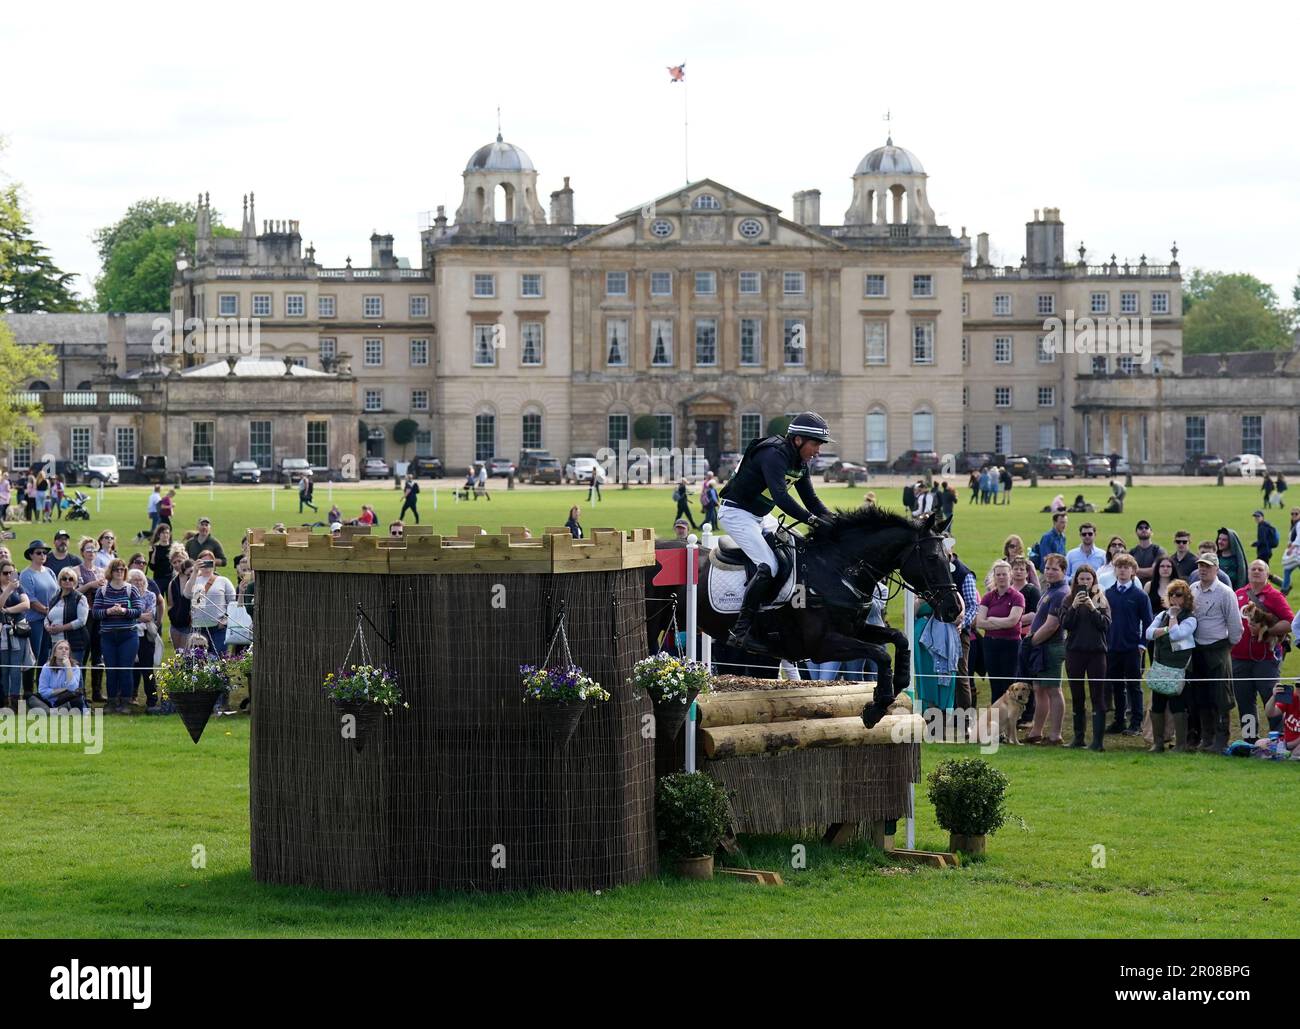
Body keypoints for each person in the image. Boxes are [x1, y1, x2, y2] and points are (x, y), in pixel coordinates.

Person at [717, 412, 836, 653]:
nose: (818, 451)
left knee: (798, 550)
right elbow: (781, 497)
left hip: (760, 516)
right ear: (798, 440)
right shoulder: (774, 454)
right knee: (769, 566)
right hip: (737, 514)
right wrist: (813, 521)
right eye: (815, 444)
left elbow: (811, 500)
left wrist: (835, 522)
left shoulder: (799, 462)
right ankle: (740, 631)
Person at [1231, 559, 1293, 743]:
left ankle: (1281, 739)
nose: (1256, 572)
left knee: (1273, 697)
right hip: (1239, 658)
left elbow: (1290, 623)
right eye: (1253, 569)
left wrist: (1267, 631)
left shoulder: (1275, 596)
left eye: (1260, 569)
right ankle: (1249, 739)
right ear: (1248, 573)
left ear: (1267, 574)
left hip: (1266, 659)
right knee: (1244, 700)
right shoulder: (1238, 594)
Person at [1189, 553, 1243, 753]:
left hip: (1219, 647)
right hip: (1197, 648)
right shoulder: (1193, 589)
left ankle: (1221, 738)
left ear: (1217, 569)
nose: (1203, 570)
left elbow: (1236, 627)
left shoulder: (1225, 592)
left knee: (1221, 695)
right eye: (1201, 566)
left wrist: (1227, 647)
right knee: (1201, 694)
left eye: (1208, 566)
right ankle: (1206, 737)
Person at [1060, 565, 1112, 750]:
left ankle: (1097, 741)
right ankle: (1078, 737)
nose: (1084, 583)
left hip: (1096, 653)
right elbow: (1066, 624)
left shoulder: (1100, 600)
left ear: (1093, 581)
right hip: (1075, 652)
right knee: (1077, 695)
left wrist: (1092, 608)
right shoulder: (1068, 599)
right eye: (1081, 579)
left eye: (1088, 579)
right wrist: (1074, 607)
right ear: (1076, 581)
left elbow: (1105, 625)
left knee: (1097, 696)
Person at [1145, 580, 1197, 753]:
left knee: (1178, 705)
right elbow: (1149, 633)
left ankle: (1180, 744)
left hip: (1179, 668)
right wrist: (1166, 628)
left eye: (1179, 595)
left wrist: (1173, 617)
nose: (1174, 598)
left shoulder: (1190, 618)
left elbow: (1177, 635)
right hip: (1160, 666)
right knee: (1157, 705)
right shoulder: (1161, 616)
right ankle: (1158, 743)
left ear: (1186, 597)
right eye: (1171, 595)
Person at [1104, 554, 1153, 736]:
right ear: (1115, 570)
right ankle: (1118, 719)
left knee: (1134, 685)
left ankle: (1136, 722)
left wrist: (1142, 644)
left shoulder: (1139, 595)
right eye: (1120, 567)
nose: (1123, 570)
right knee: (1116, 684)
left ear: (1133, 571)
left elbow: (1148, 621)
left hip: (1132, 648)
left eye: (1126, 567)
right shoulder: (1108, 594)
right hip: (1112, 647)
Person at [1026, 553, 1069, 745]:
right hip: (1041, 646)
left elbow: (1052, 625)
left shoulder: (1061, 593)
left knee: (1053, 689)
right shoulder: (1050, 589)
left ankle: (1055, 734)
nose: (1050, 572)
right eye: (1048, 568)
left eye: (1055, 569)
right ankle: (1036, 732)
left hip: (1051, 647)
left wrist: (1032, 642)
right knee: (1039, 688)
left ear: (1064, 571)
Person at [93, 558, 142, 714]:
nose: (119, 572)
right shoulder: (102, 590)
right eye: (116, 569)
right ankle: (112, 701)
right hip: (108, 636)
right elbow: (95, 612)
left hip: (128, 635)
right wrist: (108, 611)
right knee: (111, 669)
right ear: (111, 572)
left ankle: (126, 702)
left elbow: (138, 611)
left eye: (122, 569)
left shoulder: (131, 589)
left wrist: (123, 611)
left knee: (125, 669)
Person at [975, 560, 1025, 706]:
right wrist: (1001, 622)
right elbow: (979, 622)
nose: (1001, 577)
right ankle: (996, 720)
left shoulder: (1017, 597)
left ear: (1010, 576)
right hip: (991, 644)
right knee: (995, 684)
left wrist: (991, 620)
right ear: (994, 577)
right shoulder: (988, 597)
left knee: (1009, 685)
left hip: (1011, 644)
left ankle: (1010, 719)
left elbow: (1013, 621)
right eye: (998, 575)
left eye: (1004, 574)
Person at [19, 539, 60, 696]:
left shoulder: (49, 572)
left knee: (46, 656)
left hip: (50, 621)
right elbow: (31, 600)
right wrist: (48, 612)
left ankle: (42, 689)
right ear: (31, 555)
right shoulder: (26, 574)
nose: (42, 555)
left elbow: (57, 594)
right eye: (38, 553)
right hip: (35, 621)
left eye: (44, 552)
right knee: (33, 655)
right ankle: (28, 691)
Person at [183, 550, 236, 654]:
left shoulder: (223, 580)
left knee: (219, 659)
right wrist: (194, 571)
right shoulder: (195, 580)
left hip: (218, 628)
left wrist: (226, 618)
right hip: (199, 628)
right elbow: (187, 594)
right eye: (203, 562)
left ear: (214, 563)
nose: (206, 565)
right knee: (199, 660)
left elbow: (233, 602)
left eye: (209, 562)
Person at [128, 567, 162, 711]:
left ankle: (152, 700)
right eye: (135, 580)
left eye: (141, 580)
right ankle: (131, 696)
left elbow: (150, 615)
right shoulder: (126, 595)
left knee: (147, 668)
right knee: (132, 668)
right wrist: (135, 615)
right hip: (130, 634)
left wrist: (131, 614)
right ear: (129, 582)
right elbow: (125, 614)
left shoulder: (150, 595)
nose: (139, 582)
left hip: (146, 636)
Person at [0, 560, 29, 710]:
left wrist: (8, 610)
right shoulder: (11, 587)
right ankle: (5, 700)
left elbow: (26, 604)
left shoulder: (19, 587)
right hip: (2, 633)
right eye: (5, 573)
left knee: (16, 668)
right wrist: (8, 590)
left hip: (19, 630)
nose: (9, 576)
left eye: (12, 573)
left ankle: (17, 701)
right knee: (4, 668)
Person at [43, 567, 89, 660]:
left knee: (73, 672)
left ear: (75, 582)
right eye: (64, 578)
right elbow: (47, 617)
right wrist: (47, 626)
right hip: (55, 643)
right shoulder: (54, 598)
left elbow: (81, 621)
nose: (67, 581)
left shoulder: (80, 598)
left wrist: (61, 628)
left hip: (74, 643)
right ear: (60, 581)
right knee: (56, 672)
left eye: (71, 579)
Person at [31, 640, 86, 712]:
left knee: (77, 700)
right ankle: (55, 711)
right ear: (54, 653)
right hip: (48, 701)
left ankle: (54, 711)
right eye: (60, 648)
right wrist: (64, 689)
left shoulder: (75, 668)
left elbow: (72, 689)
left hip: (66, 700)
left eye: (66, 649)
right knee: (30, 697)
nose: (64, 650)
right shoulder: (47, 667)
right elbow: (43, 692)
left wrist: (68, 667)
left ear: (69, 653)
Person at [1256, 681, 1299, 756]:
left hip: (1295, 743)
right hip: (1285, 741)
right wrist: (1274, 697)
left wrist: (1289, 746)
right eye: (1298, 686)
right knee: (1258, 743)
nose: (1299, 689)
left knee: (1296, 753)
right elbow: (1270, 713)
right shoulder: (1292, 698)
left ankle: (1287, 754)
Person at [166, 552, 194, 652]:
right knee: (179, 655)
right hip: (176, 625)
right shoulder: (173, 583)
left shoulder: (194, 579)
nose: (178, 564)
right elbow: (170, 603)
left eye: (180, 561)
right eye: (174, 562)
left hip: (190, 625)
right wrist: (173, 616)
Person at [1129, 520, 1165, 584]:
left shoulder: (1158, 550)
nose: (1144, 529)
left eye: (1146, 528)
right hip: (1136, 587)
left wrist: (1135, 570)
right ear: (1136, 532)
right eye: (1140, 528)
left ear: (1151, 532)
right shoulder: (1132, 552)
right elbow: (1128, 571)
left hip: (1153, 587)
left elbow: (1154, 571)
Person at [1216, 526, 1247, 591]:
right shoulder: (1216, 558)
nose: (1220, 542)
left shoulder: (1237, 561)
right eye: (1219, 539)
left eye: (1224, 540)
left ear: (1231, 542)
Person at [149, 524, 175, 598]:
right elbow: (152, 567)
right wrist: (153, 554)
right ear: (158, 535)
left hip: (171, 579)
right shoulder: (154, 548)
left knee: (172, 603)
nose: (165, 535)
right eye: (163, 533)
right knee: (159, 603)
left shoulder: (173, 548)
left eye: (167, 533)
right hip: (158, 579)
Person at [1282, 507, 1300, 595]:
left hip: (1297, 553)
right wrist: (1289, 543)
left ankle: (1284, 590)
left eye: (1296, 514)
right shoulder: (1294, 524)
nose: (1294, 515)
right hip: (1296, 554)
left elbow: (1298, 538)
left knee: (1287, 569)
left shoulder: (1299, 524)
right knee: (1287, 570)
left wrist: (1291, 548)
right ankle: (1284, 589)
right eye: (1292, 514)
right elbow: (1292, 537)